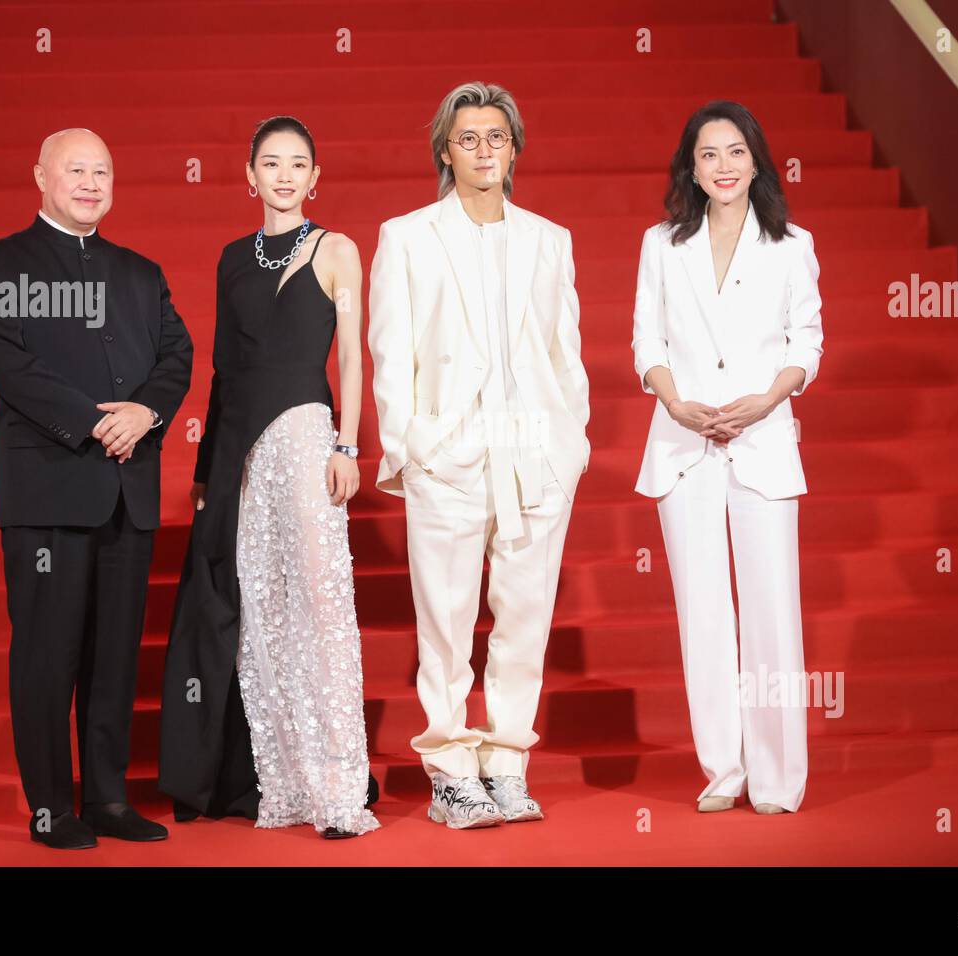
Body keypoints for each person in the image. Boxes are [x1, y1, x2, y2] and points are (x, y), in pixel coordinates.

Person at [367, 81, 590, 829]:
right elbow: (389, 352)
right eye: (469, 138)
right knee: (446, 620)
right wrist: (412, 446)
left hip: (534, 454)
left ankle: (506, 761)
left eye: (496, 136)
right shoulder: (407, 235)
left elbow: (567, 355)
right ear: (445, 150)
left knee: (525, 618)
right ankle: (450, 767)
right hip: (449, 454)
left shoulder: (549, 239)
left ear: (515, 148)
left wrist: (571, 447)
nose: (484, 149)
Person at [0, 128, 193, 849]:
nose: (90, 182)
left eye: (102, 171)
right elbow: (11, 367)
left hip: (128, 489)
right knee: (47, 652)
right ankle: (50, 810)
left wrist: (146, 413)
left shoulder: (140, 271)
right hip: (49, 489)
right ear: (41, 175)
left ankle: (107, 799)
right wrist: (96, 424)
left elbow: (177, 353)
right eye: (75, 170)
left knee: (114, 654)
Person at [158, 115, 379, 839]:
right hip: (241, 457)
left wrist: (347, 445)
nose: (284, 176)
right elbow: (223, 371)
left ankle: (341, 786)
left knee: (322, 606)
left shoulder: (338, 249)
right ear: (247, 175)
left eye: (298, 164)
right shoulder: (229, 260)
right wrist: (204, 467)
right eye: (271, 163)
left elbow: (351, 357)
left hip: (308, 437)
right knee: (262, 618)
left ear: (316, 178)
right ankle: (284, 782)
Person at [631, 101, 823, 815]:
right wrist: (676, 401)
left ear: (756, 160)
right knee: (702, 611)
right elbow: (645, 341)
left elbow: (807, 342)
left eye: (735, 151)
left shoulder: (791, 244)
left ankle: (777, 776)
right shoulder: (661, 243)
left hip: (763, 442)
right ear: (691, 166)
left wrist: (767, 400)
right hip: (684, 445)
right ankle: (723, 767)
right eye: (708, 154)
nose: (723, 166)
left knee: (772, 610)